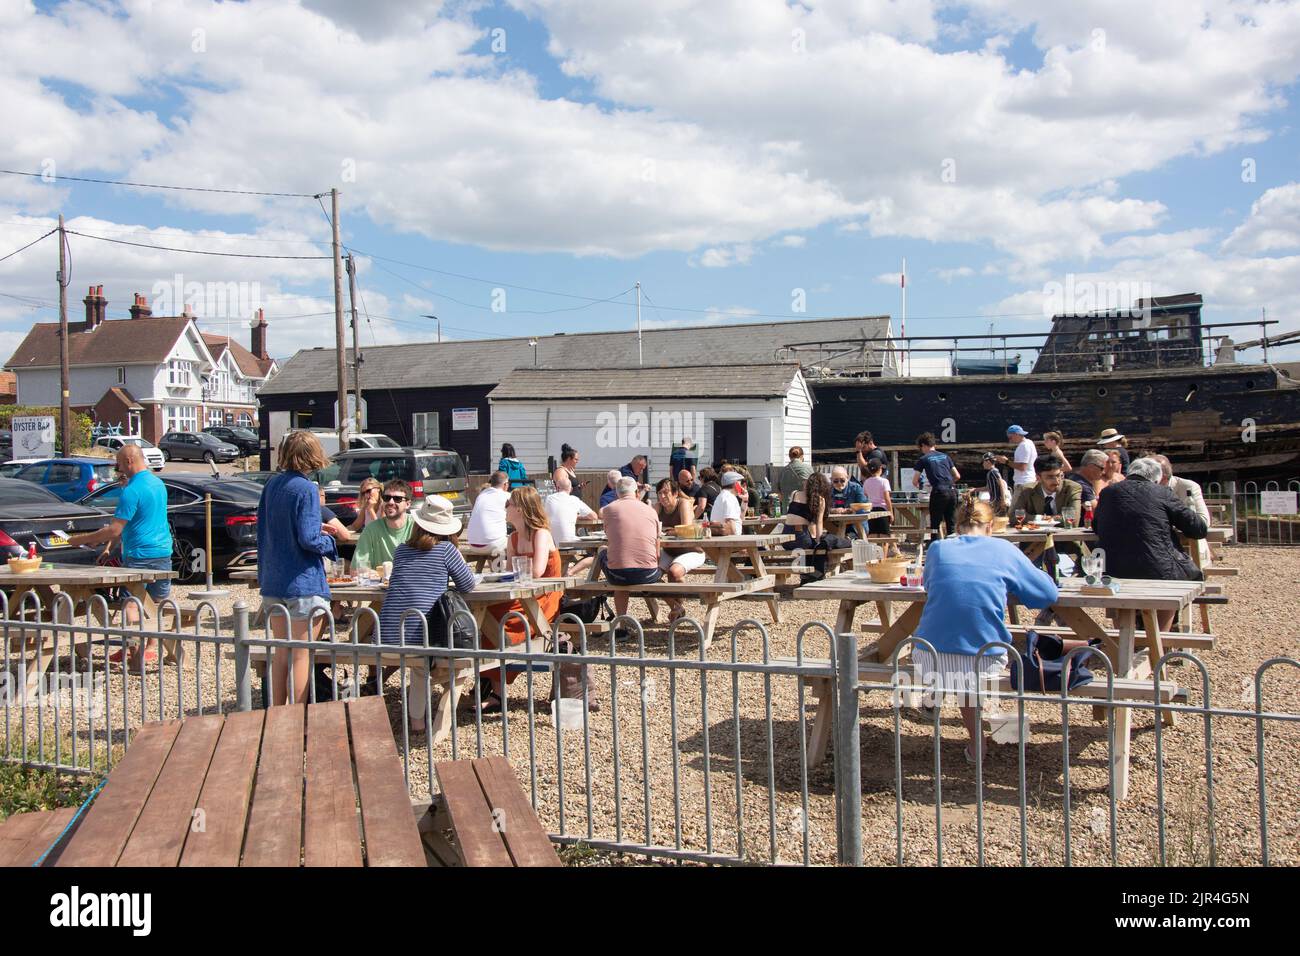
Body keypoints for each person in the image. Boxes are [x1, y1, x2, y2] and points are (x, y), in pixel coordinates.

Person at [913, 492, 1059, 763]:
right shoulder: (1004, 550)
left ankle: (936, 697)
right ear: (991, 527)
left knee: (951, 642)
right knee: (969, 668)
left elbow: (930, 586)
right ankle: (976, 741)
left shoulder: (938, 549)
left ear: (957, 527)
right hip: (984, 656)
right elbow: (1046, 594)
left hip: (928, 653)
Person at [66, 445, 173, 670]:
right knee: (155, 603)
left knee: (131, 605)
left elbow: (115, 528)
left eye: (119, 464)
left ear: (129, 461)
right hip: (163, 551)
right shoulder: (158, 484)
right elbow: (135, 522)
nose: (119, 469)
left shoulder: (131, 491)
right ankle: (150, 649)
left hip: (138, 555)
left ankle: (135, 655)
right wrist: (108, 547)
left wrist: (81, 539)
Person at [377, 496, 476, 734]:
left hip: (386, 633)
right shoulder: (446, 550)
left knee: (418, 662)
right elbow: (468, 585)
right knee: (421, 665)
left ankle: (413, 721)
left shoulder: (401, 550)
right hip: (417, 635)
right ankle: (419, 724)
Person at [257, 432, 338, 705]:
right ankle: (297, 717)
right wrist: (328, 541)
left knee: (282, 653)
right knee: (302, 654)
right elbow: (308, 538)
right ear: (313, 455)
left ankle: (277, 715)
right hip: (302, 581)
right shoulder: (306, 489)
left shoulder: (271, 484)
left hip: (273, 579)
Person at [1093, 456, 1208, 631]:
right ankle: (1160, 640)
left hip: (1112, 569)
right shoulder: (1162, 492)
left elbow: (1096, 526)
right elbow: (1198, 529)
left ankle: (1122, 639)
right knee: (1175, 582)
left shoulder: (1108, 492)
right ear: (1157, 479)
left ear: (1130, 473)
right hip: (1157, 569)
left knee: (1128, 575)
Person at [483, 487, 562, 711]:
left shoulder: (541, 534)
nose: (505, 508)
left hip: (545, 596)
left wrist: (513, 575)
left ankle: (496, 687)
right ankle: (496, 688)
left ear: (520, 508)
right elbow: (510, 574)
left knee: (500, 619)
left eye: (508, 504)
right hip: (524, 594)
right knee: (488, 616)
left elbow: (536, 573)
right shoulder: (513, 538)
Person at [598, 476, 665, 625]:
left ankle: (622, 624)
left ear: (616, 494)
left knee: (604, 551)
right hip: (648, 573)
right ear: (636, 492)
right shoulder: (650, 511)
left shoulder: (609, 510)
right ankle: (675, 606)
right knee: (646, 565)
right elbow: (657, 551)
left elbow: (608, 536)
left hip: (618, 575)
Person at [652, 479, 707, 620]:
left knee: (674, 572)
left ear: (676, 493)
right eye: (659, 493)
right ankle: (677, 608)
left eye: (666, 492)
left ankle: (678, 607)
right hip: (670, 551)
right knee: (649, 575)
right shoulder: (657, 507)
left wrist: (668, 531)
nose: (662, 496)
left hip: (692, 550)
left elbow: (686, 528)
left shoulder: (683, 503)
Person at [1148, 453, 1211, 565]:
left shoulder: (1188, 487)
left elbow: (1204, 521)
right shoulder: (1145, 489)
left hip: (1187, 546)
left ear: (1160, 476)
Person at [351, 479, 414, 569]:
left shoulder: (417, 527)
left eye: (397, 499)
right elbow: (356, 569)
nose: (391, 502)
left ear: (408, 504)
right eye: (387, 498)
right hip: (380, 582)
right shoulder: (370, 529)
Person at [782, 472, 851, 554]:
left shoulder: (794, 494)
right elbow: (819, 532)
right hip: (801, 541)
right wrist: (821, 514)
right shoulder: (818, 500)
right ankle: (849, 542)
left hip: (785, 540)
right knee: (828, 542)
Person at [545, 472, 598, 577]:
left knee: (565, 555)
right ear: (571, 489)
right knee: (597, 553)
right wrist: (578, 516)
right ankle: (571, 572)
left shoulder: (549, 499)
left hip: (553, 543)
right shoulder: (574, 500)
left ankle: (564, 577)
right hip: (569, 542)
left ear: (557, 487)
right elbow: (594, 516)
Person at [913, 433, 961, 540]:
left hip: (939, 492)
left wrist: (925, 488)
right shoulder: (945, 456)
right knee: (951, 522)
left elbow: (915, 481)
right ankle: (952, 547)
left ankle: (934, 545)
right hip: (952, 491)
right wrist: (947, 483)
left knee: (935, 523)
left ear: (924, 445)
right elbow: (957, 476)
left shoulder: (923, 459)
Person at [1010, 455, 1082, 524]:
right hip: (1036, 535)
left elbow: (1073, 520)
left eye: (1058, 475)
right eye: (1050, 477)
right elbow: (1014, 517)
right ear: (1038, 478)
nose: (1056, 481)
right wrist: (1040, 518)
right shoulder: (1027, 490)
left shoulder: (1072, 488)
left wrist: (1043, 519)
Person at [467, 471, 510, 550]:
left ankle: (495, 562)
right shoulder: (506, 496)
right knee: (515, 539)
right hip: (493, 544)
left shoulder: (481, 495)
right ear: (505, 484)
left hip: (472, 544)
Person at [708, 470, 747, 536]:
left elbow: (740, 518)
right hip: (731, 541)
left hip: (727, 539)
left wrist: (745, 500)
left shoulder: (724, 495)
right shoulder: (729, 498)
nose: (741, 487)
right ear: (736, 484)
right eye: (740, 484)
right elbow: (731, 527)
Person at [862, 459, 892, 535]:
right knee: (884, 536)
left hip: (871, 510)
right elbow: (887, 498)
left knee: (872, 535)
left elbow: (865, 497)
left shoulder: (866, 482)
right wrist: (890, 513)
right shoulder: (884, 481)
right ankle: (887, 547)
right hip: (883, 511)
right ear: (880, 468)